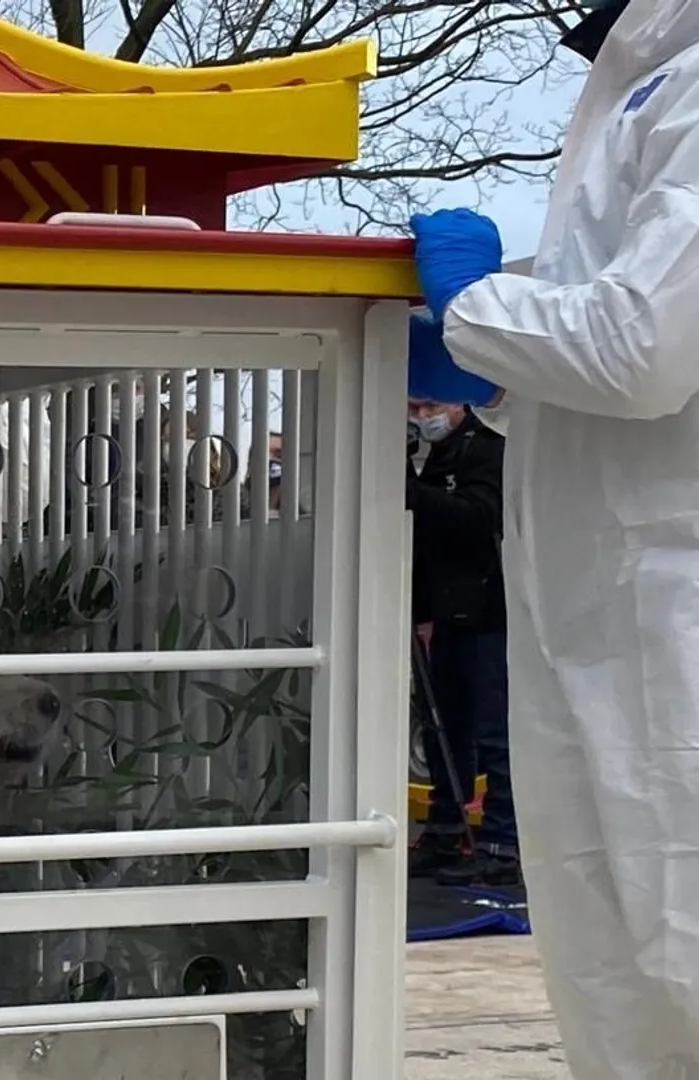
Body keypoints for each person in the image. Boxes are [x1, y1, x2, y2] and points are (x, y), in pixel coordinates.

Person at [406, 0, 699, 1070]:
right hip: (605, 616)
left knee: (674, 948)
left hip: (669, 618)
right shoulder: (641, 80)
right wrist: (496, 376)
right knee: (615, 972)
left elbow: (643, 346)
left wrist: (478, 308)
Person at [403, 400, 516, 886]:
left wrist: (411, 495)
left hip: (490, 608)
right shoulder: (436, 454)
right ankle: (445, 829)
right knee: (444, 727)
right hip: (447, 610)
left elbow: (478, 517)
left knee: (495, 732)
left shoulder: (489, 447)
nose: (424, 414)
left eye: (432, 404)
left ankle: (501, 843)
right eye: (415, 406)